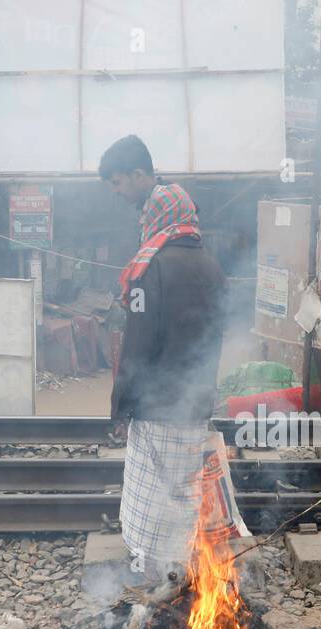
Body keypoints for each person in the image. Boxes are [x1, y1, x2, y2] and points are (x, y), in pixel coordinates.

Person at [100, 135, 227, 576]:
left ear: (140, 177)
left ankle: (159, 580)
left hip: (156, 407)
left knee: (153, 503)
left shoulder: (150, 264)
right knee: (184, 496)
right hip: (193, 405)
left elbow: (138, 345)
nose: (116, 192)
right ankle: (188, 577)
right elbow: (214, 336)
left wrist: (120, 403)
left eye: (117, 182)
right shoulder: (209, 262)